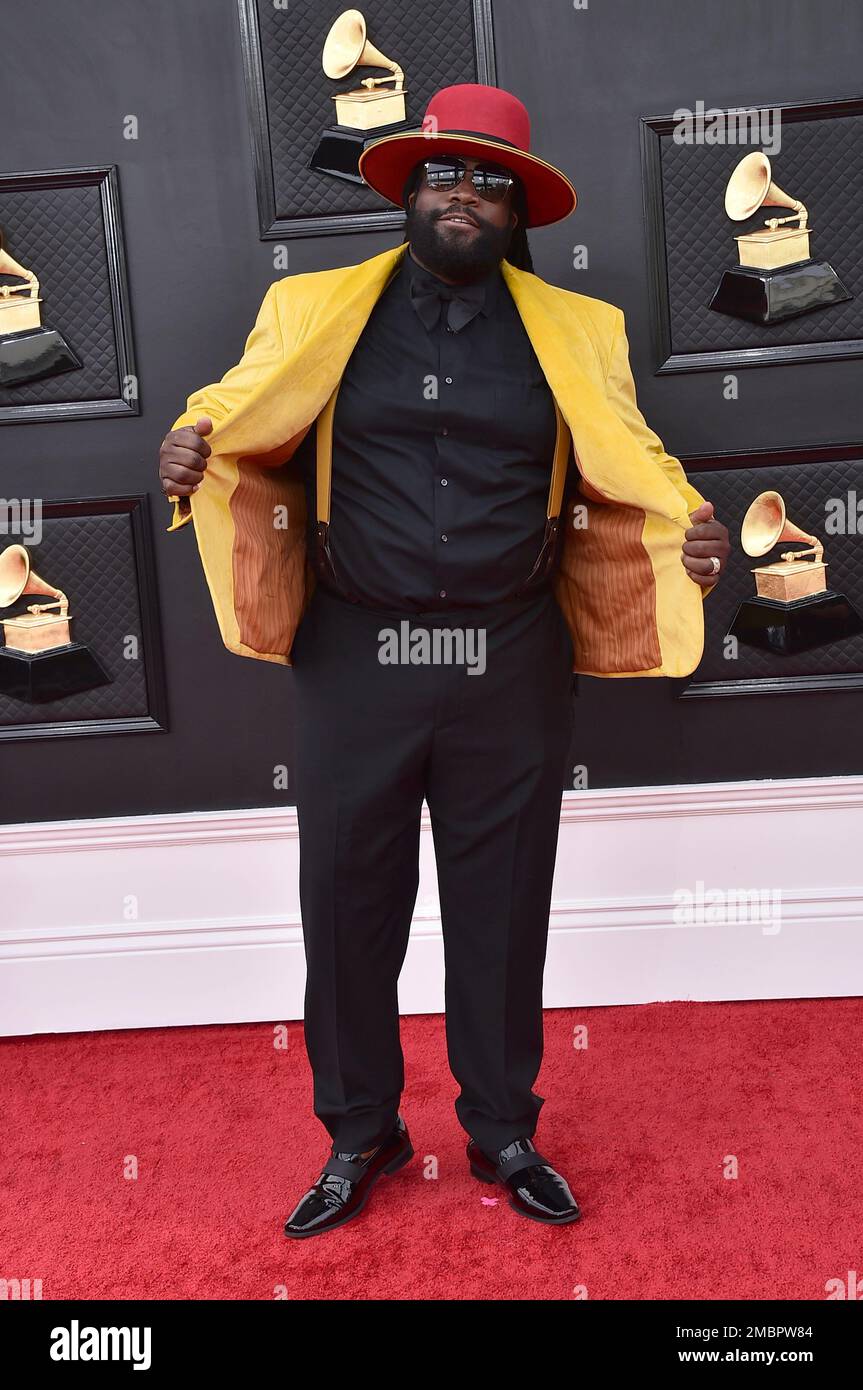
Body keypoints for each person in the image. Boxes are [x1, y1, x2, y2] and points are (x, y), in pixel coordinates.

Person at [158, 84, 730, 1238]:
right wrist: (188, 441)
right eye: (440, 176)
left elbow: (635, 454)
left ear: (516, 212)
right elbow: (231, 407)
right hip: (355, 649)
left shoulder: (580, 329)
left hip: (510, 653)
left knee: (502, 901)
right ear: (406, 194)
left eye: (486, 181)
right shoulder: (313, 307)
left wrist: (692, 529)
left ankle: (503, 1129)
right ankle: (359, 1128)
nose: (460, 194)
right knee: (345, 901)